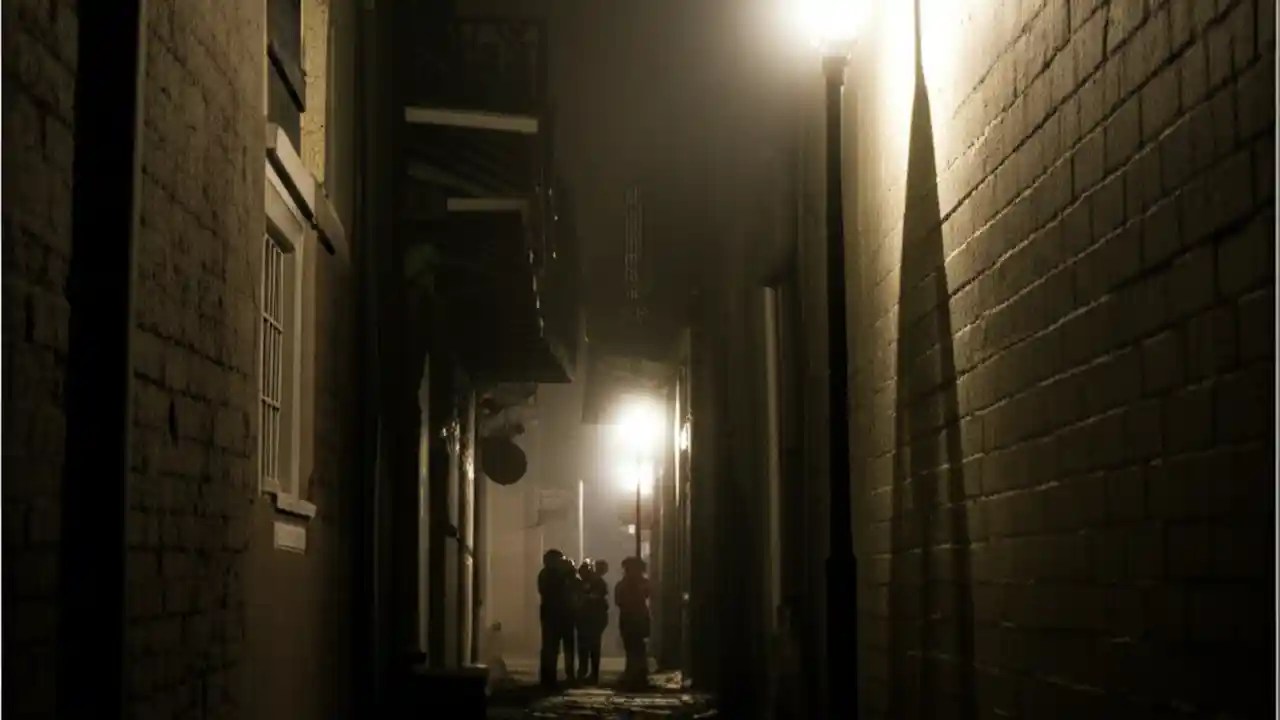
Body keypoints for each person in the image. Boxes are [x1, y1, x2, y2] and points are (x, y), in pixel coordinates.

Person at [614, 556, 651, 690]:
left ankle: (637, 673)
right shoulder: (629, 584)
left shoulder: (626, 584)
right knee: (634, 647)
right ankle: (636, 673)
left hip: (634, 618)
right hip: (632, 618)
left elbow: (619, 601)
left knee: (635, 647)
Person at [537, 549, 572, 688]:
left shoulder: (550, 574)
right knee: (551, 647)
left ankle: (555, 676)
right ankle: (548, 677)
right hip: (554, 613)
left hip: (560, 613)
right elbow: (551, 590)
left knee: (559, 646)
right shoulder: (547, 575)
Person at [576, 559, 608, 684]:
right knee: (588, 647)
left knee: (590, 647)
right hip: (588, 618)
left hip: (592, 618)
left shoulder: (596, 582)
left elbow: (598, 597)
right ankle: (587, 672)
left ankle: (590, 673)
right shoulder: (588, 583)